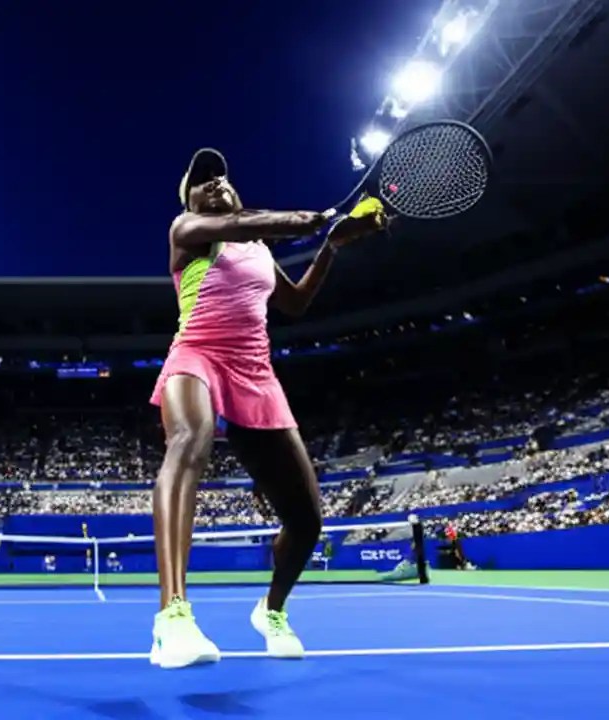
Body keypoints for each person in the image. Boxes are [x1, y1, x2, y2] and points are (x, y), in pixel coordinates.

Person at [148, 148, 386, 669]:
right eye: (201, 181)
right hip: (198, 354)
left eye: (221, 176)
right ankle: (173, 617)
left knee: (306, 519)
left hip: (255, 373)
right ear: (189, 201)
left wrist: (331, 245)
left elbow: (294, 303)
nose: (214, 182)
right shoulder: (187, 230)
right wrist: (309, 220)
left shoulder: (256, 248)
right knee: (189, 441)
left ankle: (271, 611)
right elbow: (249, 223)